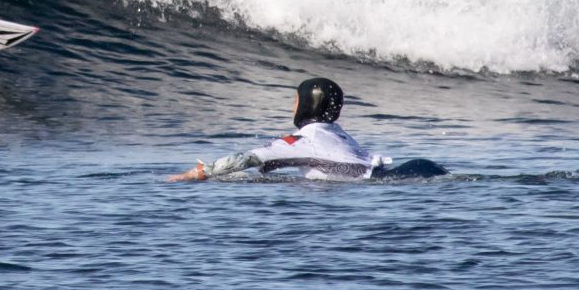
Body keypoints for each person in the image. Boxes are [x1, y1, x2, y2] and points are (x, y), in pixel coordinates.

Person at [169, 77, 443, 181]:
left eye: (295, 101)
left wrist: (199, 173)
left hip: (395, 181)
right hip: (418, 167)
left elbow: (246, 159)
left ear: (304, 105)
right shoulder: (338, 133)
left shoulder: (300, 140)